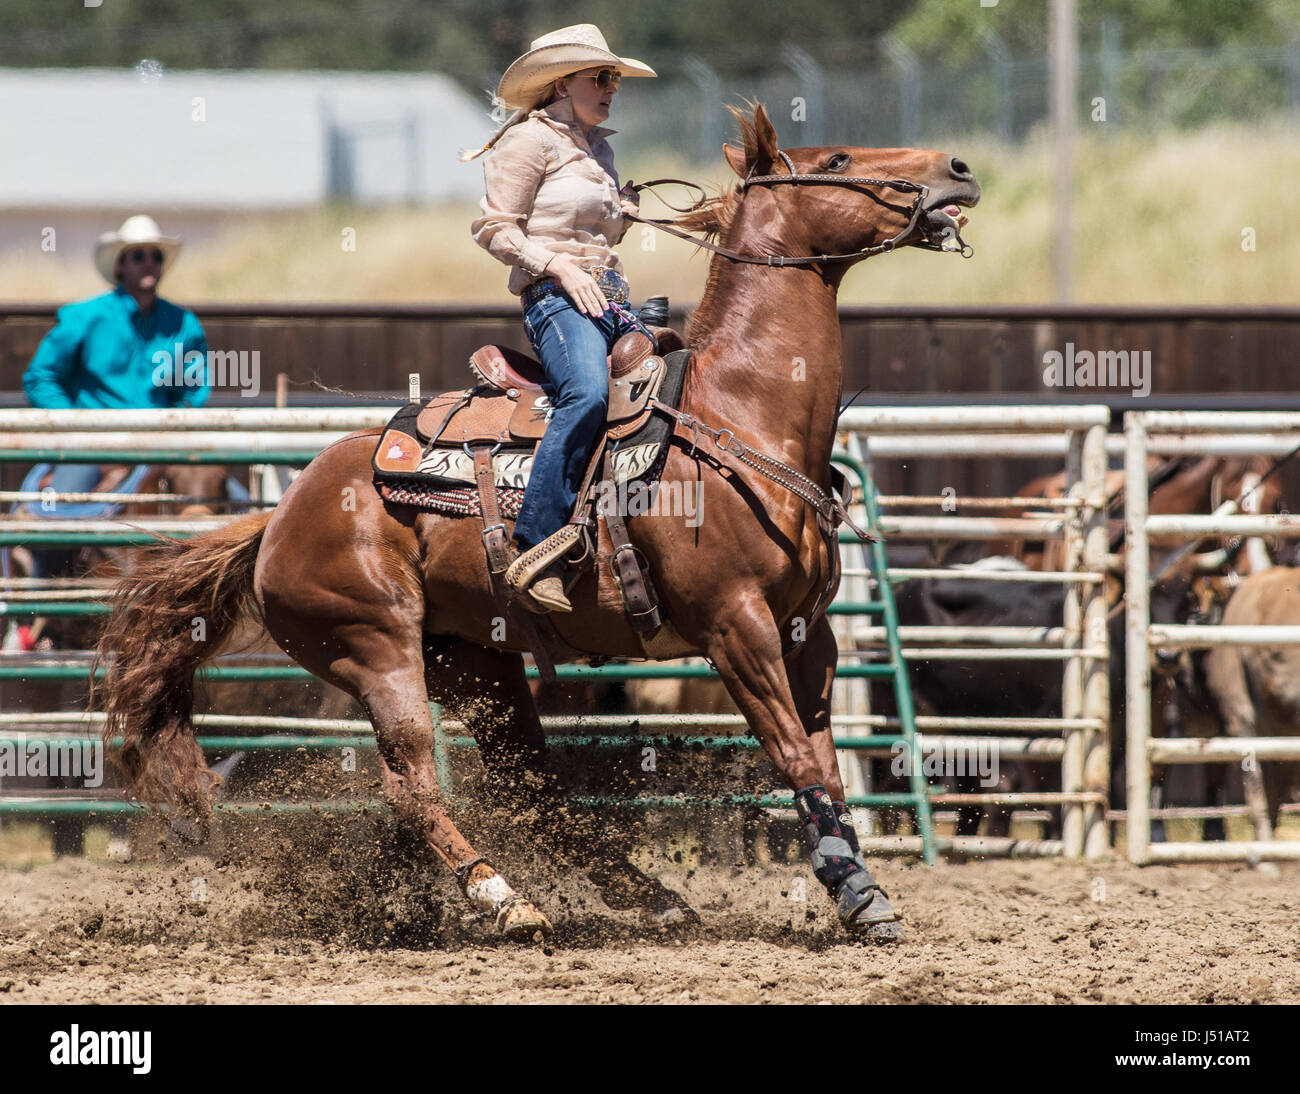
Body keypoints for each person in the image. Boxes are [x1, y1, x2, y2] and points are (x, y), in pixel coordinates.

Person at [466, 24, 656, 613]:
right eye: (600, 77)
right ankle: (537, 544)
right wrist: (558, 267)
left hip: (610, 299)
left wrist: (622, 218)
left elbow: (590, 228)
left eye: (614, 78)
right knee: (587, 393)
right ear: (561, 82)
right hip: (555, 299)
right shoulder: (526, 141)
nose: (610, 89)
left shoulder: (600, 148)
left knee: (679, 382)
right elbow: (494, 228)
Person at [23, 214, 210, 502]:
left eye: (155, 256)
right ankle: (39, 547)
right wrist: (76, 426)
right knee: (58, 517)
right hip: (93, 445)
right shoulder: (86, 317)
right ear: (120, 265)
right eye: (138, 255)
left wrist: (174, 428)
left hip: (161, 446)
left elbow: (192, 394)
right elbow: (41, 377)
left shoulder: (184, 324)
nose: (149, 262)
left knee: (231, 506)